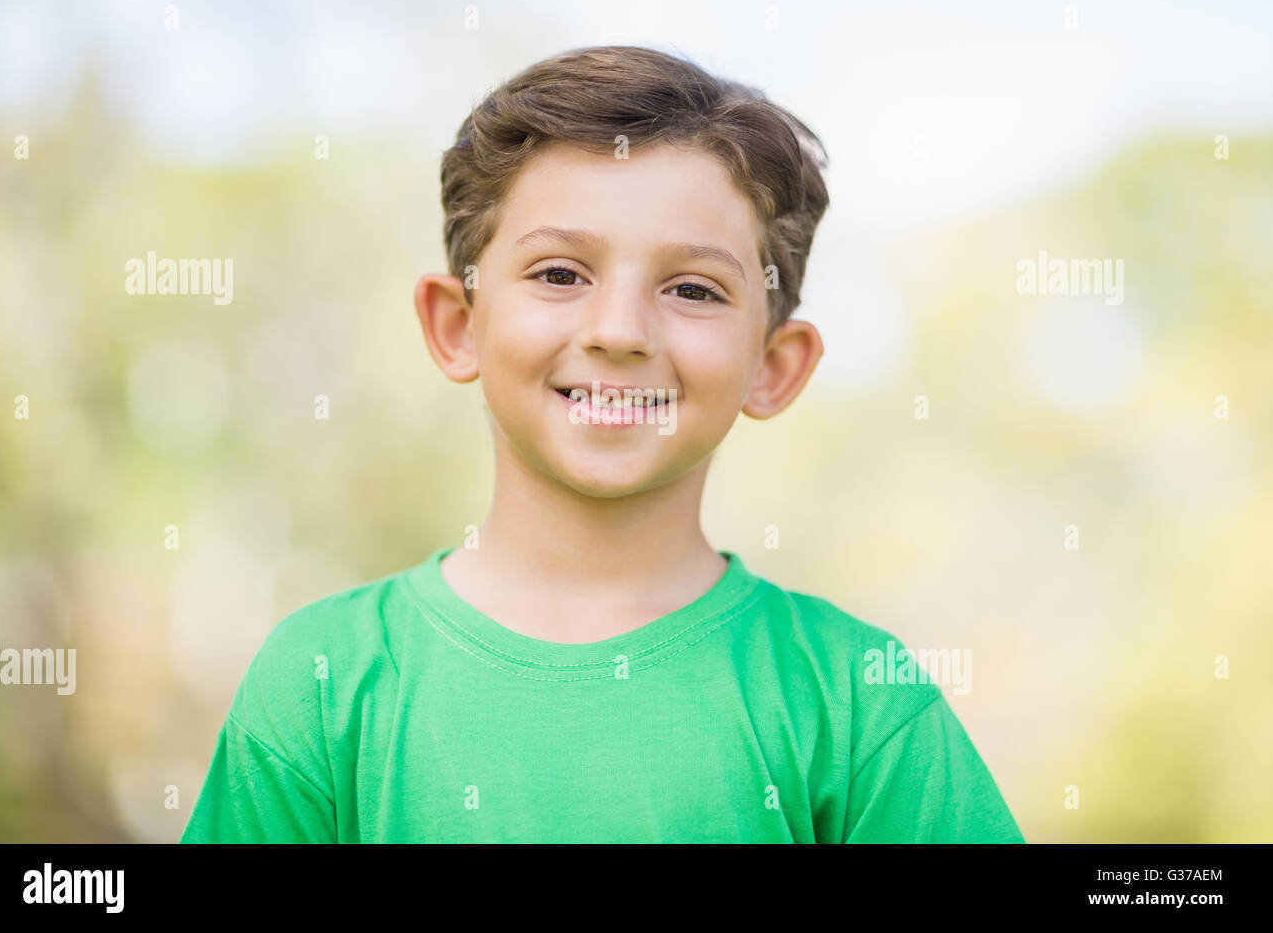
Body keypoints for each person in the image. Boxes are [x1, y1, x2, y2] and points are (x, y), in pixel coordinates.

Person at [181, 44, 1023, 843]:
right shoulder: (322, 684)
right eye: (558, 274)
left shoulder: (858, 701)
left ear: (773, 365)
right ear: (456, 325)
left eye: (693, 288)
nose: (619, 331)